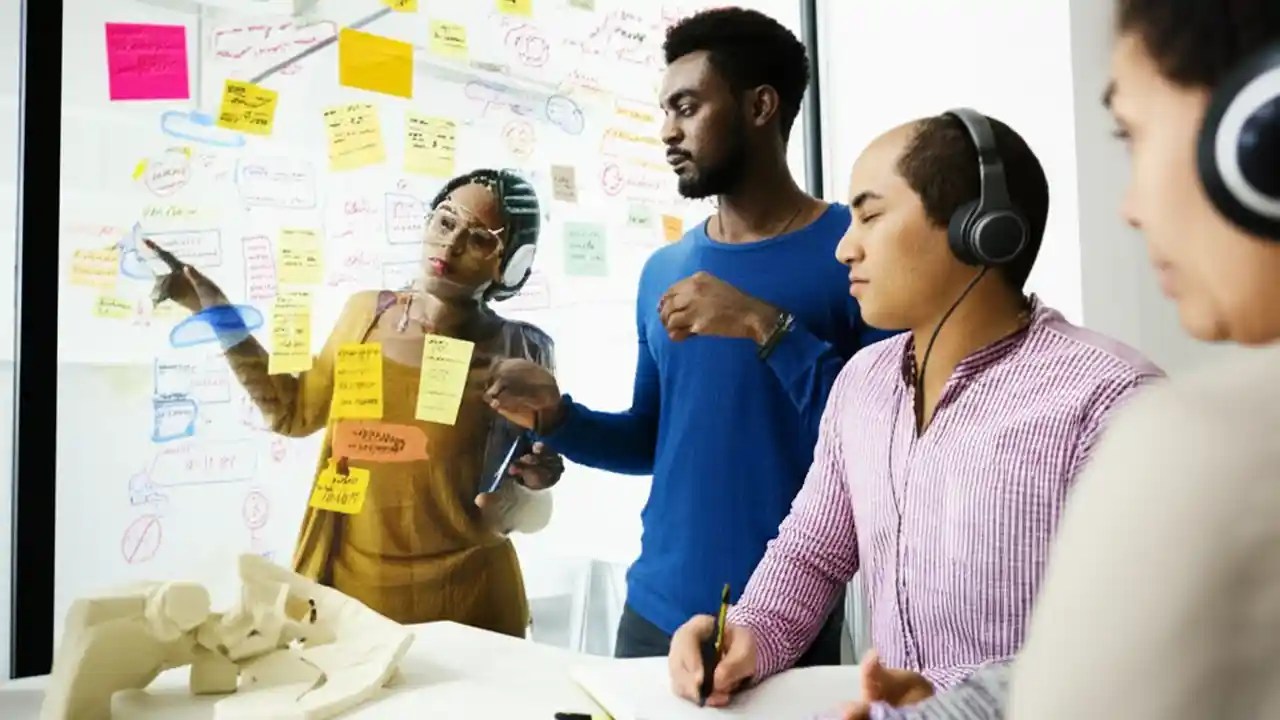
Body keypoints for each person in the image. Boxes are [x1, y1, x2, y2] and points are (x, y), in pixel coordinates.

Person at [812, 2, 1280, 719]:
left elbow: (1106, 685)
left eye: (1133, 133)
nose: (1127, 205)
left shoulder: (1159, 419)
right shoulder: (864, 384)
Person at [665, 109, 1164, 710]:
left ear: (978, 229)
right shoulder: (863, 383)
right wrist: (750, 634)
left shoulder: (1111, 400)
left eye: (870, 216)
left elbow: (1133, 645)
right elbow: (813, 552)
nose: (846, 248)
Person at [484, 7, 896, 663]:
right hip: (650, 613)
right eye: (664, 112)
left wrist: (766, 325)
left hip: (781, 624)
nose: (667, 133)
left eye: (686, 107)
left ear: (761, 106)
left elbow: (883, 445)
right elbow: (652, 438)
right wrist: (557, 417)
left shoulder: (856, 252)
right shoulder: (665, 271)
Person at [145, 168, 563, 637]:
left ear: (511, 264)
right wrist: (217, 315)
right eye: (445, 223)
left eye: (479, 239)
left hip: (469, 601)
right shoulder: (364, 314)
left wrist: (536, 482)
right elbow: (293, 411)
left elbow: (527, 498)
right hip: (352, 596)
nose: (450, 247)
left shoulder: (521, 349)